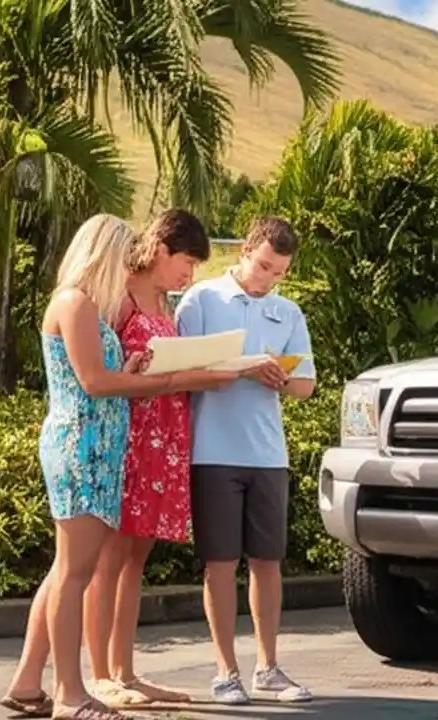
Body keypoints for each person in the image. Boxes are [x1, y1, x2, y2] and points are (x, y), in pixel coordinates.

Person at [0, 214, 233, 720]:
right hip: (82, 447)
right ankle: (69, 693)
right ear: (103, 251)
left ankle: (27, 683)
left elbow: (105, 375)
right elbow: (95, 384)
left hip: (98, 446)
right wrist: (171, 382)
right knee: (74, 572)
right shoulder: (75, 302)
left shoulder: (88, 308)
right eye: (126, 252)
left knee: (65, 570)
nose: (131, 262)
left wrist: (132, 371)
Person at [84, 209, 237, 708]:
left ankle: (126, 671)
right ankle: (101, 673)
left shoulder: (164, 301)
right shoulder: (118, 294)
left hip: (166, 437)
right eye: (187, 262)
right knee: (110, 557)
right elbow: (103, 368)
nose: (189, 275)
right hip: (129, 436)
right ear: (162, 249)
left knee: (136, 557)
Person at [174, 216, 317, 705]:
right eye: (263, 267)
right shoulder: (201, 300)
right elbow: (180, 372)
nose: (268, 279)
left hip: (267, 454)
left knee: (268, 562)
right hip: (212, 451)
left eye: (279, 272)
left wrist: (276, 377)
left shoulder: (288, 312)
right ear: (244, 252)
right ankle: (225, 672)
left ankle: (269, 669)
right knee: (219, 561)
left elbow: (306, 386)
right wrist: (237, 369)